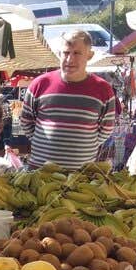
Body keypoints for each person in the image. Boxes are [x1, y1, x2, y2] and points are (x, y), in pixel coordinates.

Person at [18, 30, 118, 169]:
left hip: (80, 177)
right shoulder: (39, 84)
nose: (70, 59)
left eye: (77, 53)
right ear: (59, 54)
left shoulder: (103, 89)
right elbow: (26, 122)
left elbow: (106, 129)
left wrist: (83, 146)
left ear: (90, 55)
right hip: (39, 174)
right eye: (66, 53)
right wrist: (44, 144)